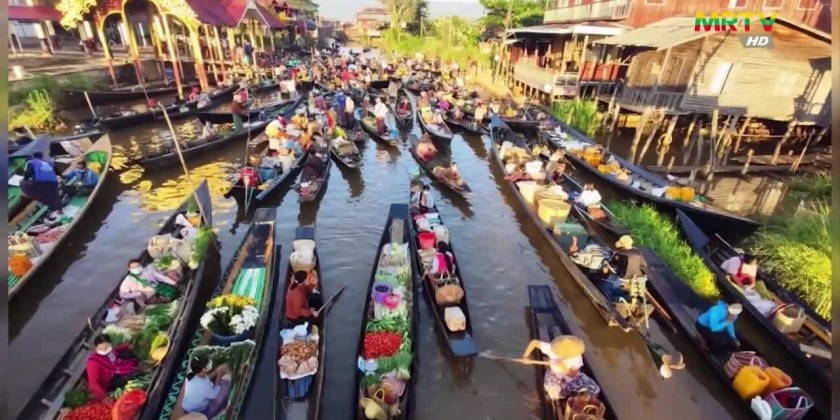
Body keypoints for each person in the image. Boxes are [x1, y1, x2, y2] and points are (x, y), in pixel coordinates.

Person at [521, 335, 601, 401]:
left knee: (595, 389)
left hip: (572, 378)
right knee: (554, 395)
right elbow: (534, 342)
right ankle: (567, 394)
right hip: (555, 375)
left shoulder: (576, 357)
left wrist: (563, 369)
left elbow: (573, 374)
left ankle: (574, 396)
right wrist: (525, 356)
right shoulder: (551, 349)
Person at [85, 334, 140, 401]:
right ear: (96, 348)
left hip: (115, 369)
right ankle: (135, 374)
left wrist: (127, 345)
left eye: (107, 347)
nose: (104, 350)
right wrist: (104, 397)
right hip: (109, 382)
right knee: (131, 376)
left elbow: (116, 349)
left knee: (127, 352)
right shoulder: (93, 362)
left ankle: (136, 368)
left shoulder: (110, 352)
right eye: (101, 349)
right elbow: (93, 383)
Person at [599, 235, 646, 302]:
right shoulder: (638, 252)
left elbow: (610, 266)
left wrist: (605, 267)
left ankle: (615, 299)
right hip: (637, 278)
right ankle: (630, 297)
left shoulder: (619, 254)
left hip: (622, 279)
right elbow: (643, 265)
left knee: (604, 285)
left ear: (622, 245)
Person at [21, 151, 63, 218]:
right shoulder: (46, 162)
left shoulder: (31, 162)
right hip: (53, 183)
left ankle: (51, 207)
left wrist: (27, 179)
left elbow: (27, 175)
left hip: (43, 185)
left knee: (22, 182)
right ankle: (59, 210)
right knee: (54, 196)